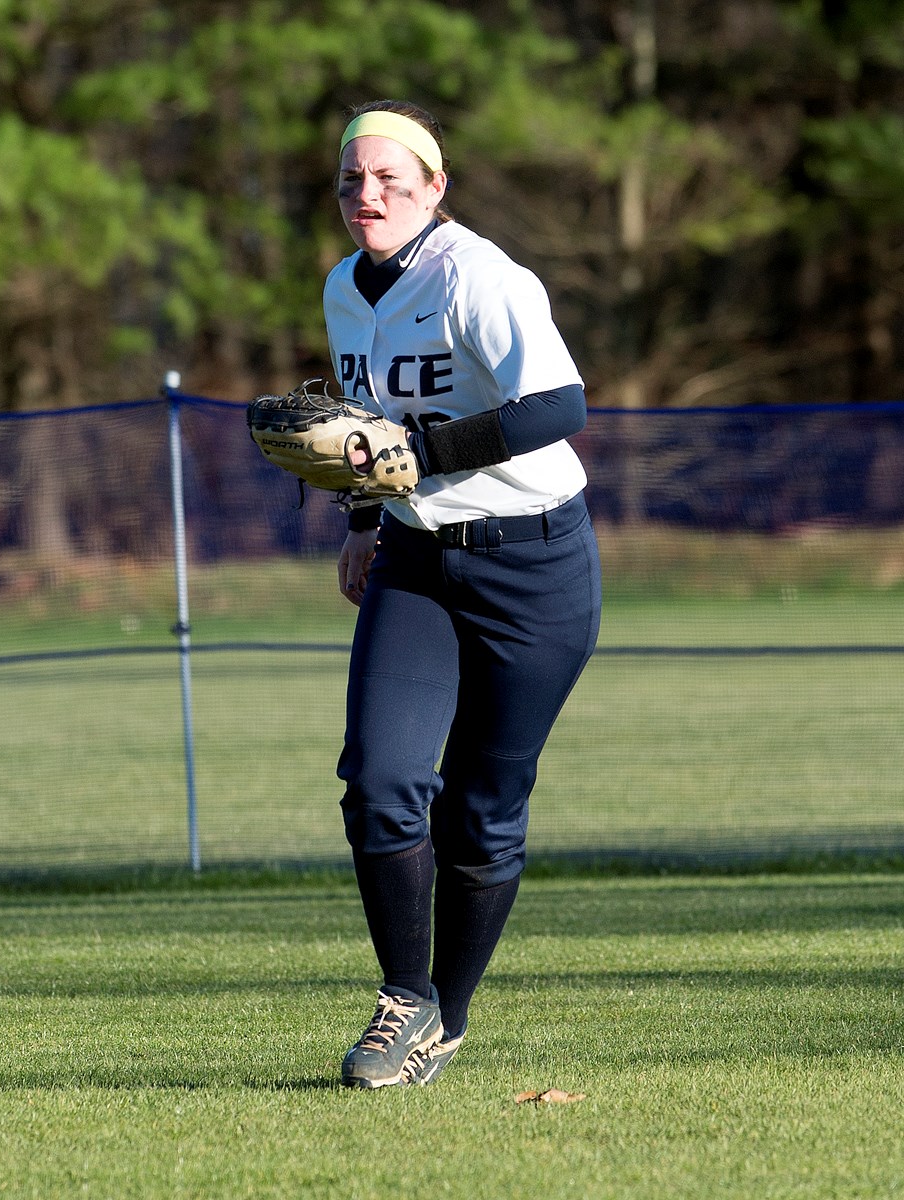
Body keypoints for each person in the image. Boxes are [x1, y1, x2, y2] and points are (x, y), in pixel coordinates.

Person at [324, 100, 602, 1088]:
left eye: (391, 178)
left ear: (435, 187)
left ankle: (448, 1018)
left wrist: (428, 452)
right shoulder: (343, 288)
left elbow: (560, 405)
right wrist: (363, 520)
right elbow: (367, 421)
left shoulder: (478, 276)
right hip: (414, 557)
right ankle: (405, 999)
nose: (369, 195)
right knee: (384, 780)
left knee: (483, 809)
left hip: (534, 566)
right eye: (353, 178)